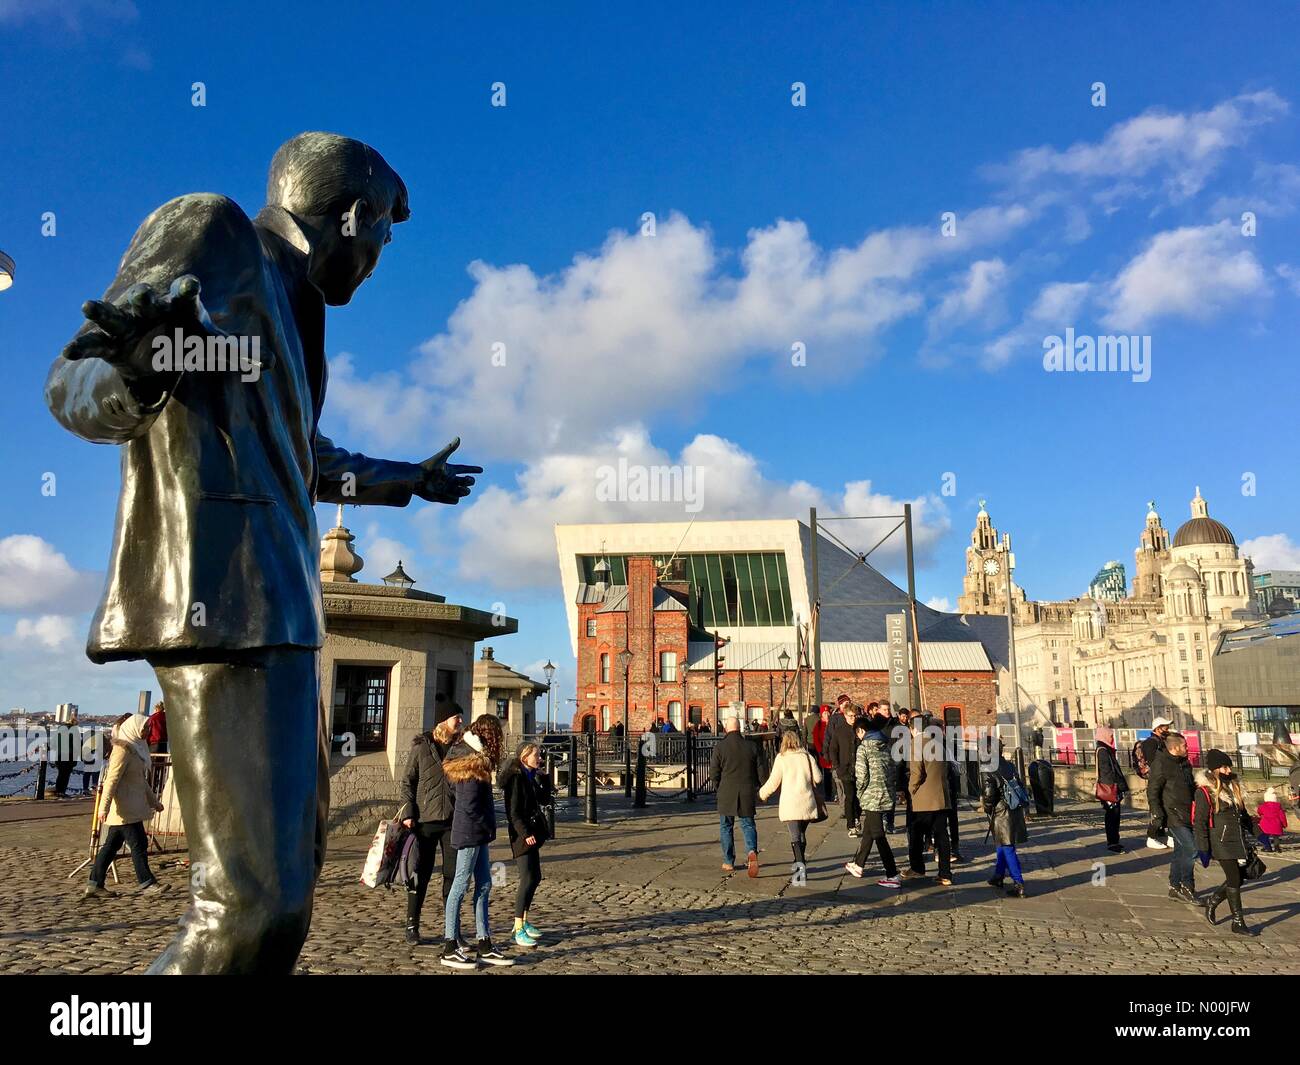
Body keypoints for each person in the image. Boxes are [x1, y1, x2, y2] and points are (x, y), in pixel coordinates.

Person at [46, 133, 482, 974]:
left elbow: (300, 454)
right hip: (219, 605)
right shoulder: (214, 232)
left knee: (287, 894)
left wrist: (405, 478)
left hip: (280, 615)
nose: (378, 256)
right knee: (246, 908)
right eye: (384, 235)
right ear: (353, 216)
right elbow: (74, 383)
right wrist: (138, 369)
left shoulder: (291, 303)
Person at [441, 715, 512, 970]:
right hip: (470, 831)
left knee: (484, 883)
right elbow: (469, 803)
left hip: (476, 831)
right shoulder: (471, 763)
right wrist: (483, 822)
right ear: (488, 736)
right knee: (461, 884)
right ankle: (450, 944)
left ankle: (484, 941)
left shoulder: (470, 756)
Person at [398, 702, 462, 945]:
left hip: (454, 821)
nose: (460, 722)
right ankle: (412, 924)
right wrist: (408, 813)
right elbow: (408, 781)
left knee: (453, 875)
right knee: (420, 874)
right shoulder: (421, 747)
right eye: (457, 717)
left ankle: (452, 928)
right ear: (443, 720)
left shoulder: (461, 748)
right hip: (425, 822)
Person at [84, 714, 165, 897]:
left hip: (131, 806)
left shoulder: (136, 749)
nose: (147, 732)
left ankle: (94, 884)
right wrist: (102, 808)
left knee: (111, 846)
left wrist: (155, 802)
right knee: (139, 844)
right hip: (124, 808)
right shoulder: (123, 751)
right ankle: (147, 883)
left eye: (147, 728)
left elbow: (141, 781)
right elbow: (111, 780)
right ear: (133, 728)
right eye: (144, 728)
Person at [1193, 750, 1259, 935]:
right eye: (1224, 767)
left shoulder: (1234, 788)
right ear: (1215, 769)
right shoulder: (1205, 792)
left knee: (1239, 878)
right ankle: (1238, 922)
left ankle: (1213, 900)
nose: (1228, 770)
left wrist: (1260, 834)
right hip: (1220, 841)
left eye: (1229, 766)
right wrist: (1203, 848)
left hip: (1237, 839)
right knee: (1234, 879)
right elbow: (1200, 822)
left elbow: (1243, 817)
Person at [501, 742, 554, 949]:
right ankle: (517, 927)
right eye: (536, 755)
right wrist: (525, 834)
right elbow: (513, 812)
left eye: (539, 754)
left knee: (535, 877)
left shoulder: (530, 777)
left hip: (532, 833)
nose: (539, 758)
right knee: (527, 879)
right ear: (524, 757)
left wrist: (545, 778)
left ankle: (524, 919)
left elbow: (543, 798)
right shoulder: (516, 779)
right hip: (521, 835)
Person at [845, 713, 900, 888]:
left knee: (878, 835)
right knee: (869, 829)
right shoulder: (885, 746)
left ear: (861, 731)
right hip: (886, 793)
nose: (858, 737)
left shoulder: (864, 748)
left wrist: (860, 794)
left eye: (857, 733)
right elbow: (893, 770)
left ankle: (892, 874)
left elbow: (861, 776)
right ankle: (859, 864)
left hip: (871, 796)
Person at [758, 729, 822, 875]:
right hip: (807, 802)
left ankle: (800, 868)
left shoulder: (782, 758)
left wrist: (762, 794)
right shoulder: (807, 756)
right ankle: (798, 862)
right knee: (801, 834)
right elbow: (818, 778)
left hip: (791, 803)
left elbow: (773, 782)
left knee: (795, 836)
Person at [1149, 732, 1200, 907]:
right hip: (1172, 814)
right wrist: (1157, 814)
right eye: (1185, 745)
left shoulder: (1184, 763)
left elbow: (1190, 785)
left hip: (1187, 812)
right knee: (1192, 848)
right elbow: (1153, 790)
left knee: (1180, 851)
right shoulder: (1161, 763)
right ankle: (1187, 886)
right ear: (1174, 747)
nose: (1187, 748)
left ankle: (1174, 886)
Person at [902, 715, 953, 885]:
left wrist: (911, 790)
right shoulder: (938, 742)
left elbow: (916, 772)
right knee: (941, 836)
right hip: (940, 796)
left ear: (913, 728)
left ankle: (917, 868)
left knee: (916, 834)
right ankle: (945, 873)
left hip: (923, 798)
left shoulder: (916, 743)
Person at [709, 713, 761, 876]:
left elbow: (714, 772)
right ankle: (751, 851)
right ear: (739, 728)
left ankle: (728, 861)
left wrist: (719, 787)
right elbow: (760, 770)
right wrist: (758, 786)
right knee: (748, 824)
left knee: (726, 826)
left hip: (726, 791)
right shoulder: (751, 746)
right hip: (746, 790)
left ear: (726, 729)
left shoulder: (720, 747)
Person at [982, 742, 1030, 897]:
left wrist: (987, 808)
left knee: (1008, 847)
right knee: (1002, 844)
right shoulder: (1009, 765)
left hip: (1001, 811)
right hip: (1014, 808)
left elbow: (989, 793)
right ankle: (998, 875)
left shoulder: (988, 767)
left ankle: (1019, 883)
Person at [823, 700, 860, 837]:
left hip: (860, 769)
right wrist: (837, 766)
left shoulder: (860, 729)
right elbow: (833, 749)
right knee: (849, 796)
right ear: (845, 715)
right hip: (845, 769)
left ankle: (856, 817)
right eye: (850, 716)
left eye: (855, 716)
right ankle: (851, 825)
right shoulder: (839, 731)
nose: (853, 718)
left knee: (859, 797)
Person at [1139, 717, 1174, 850]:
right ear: (1158, 728)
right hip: (1158, 779)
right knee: (1158, 810)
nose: (1167, 729)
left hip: (1164, 779)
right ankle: (1152, 837)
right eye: (1165, 727)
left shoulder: (1162, 741)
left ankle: (1166, 835)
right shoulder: (1151, 743)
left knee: (1168, 808)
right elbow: (1154, 763)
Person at [1095, 725, 1128, 853]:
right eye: (1110, 735)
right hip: (1109, 789)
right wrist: (1115, 789)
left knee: (1114, 815)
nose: (1112, 738)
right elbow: (1107, 772)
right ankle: (1112, 842)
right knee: (1112, 816)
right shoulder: (1103, 750)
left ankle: (1115, 840)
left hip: (1112, 788)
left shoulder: (1105, 749)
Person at [811, 705, 834, 801]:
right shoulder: (819, 724)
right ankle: (828, 794)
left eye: (828, 713)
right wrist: (820, 750)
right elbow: (816, 739)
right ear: (821, 714)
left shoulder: (833, 724)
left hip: (834, 751)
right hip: (824, 753)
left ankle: (836, 793)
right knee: (827, 774)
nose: (827, 715)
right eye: (825, 713)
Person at [1256, 787, 1287, 852]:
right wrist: (1284, 824)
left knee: (1265, 835)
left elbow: (1259, 812)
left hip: (1265, 824)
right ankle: (1277, 847)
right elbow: (1282, 816)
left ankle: (1267, 847)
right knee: (1276, 836)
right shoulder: (1278, 807)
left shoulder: (1263, 806)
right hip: (1276, 823)